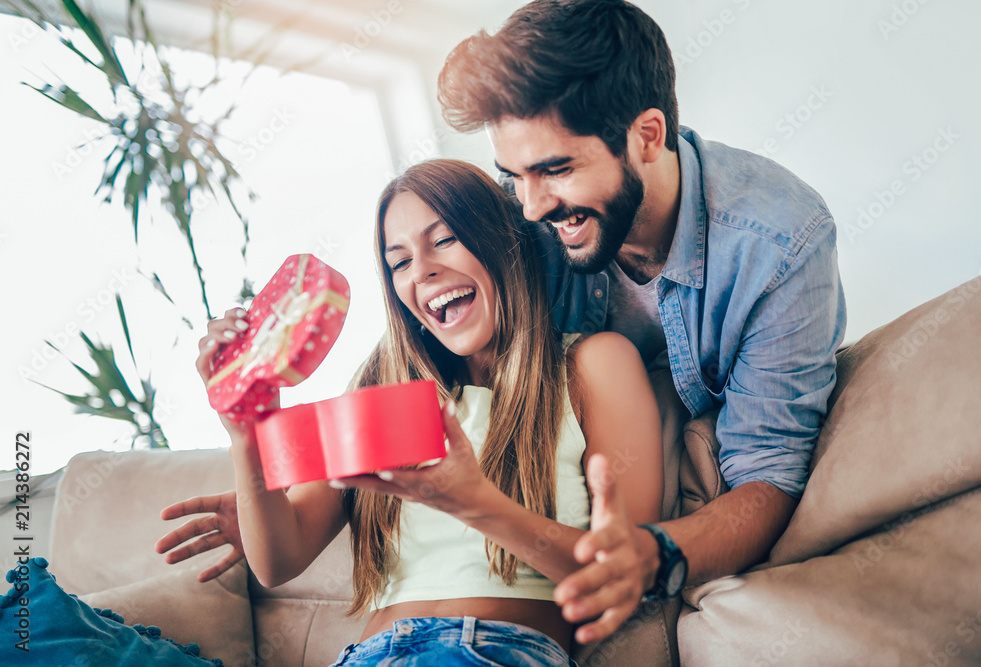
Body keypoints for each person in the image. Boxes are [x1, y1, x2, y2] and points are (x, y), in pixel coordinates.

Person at [434, 0, 847, 645]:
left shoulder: (780, 242)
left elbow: (770, 473)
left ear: (647, 135)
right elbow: (429, 341)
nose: (532, 205)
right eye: (512, 175)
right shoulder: (528, 218)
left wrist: (650, 556)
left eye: (557, 169)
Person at [159, 159, 663, 665]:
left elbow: (627, 577)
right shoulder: (383, 387)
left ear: (504, 242)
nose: (422, 270)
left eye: (443, 240)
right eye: (399, 263)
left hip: (493, 650)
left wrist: (474, 503)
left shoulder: (593, 365)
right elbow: (279, 560)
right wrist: (246, 433)